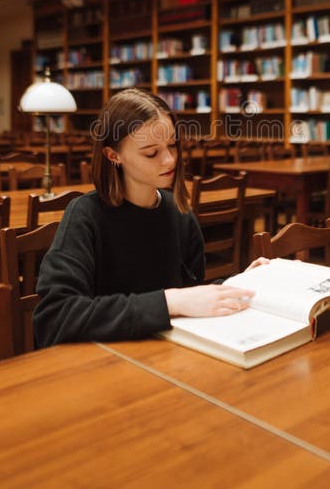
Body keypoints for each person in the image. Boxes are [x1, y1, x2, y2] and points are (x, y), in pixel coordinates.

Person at [34, 88, 265, 347]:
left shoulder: (179, 212)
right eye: (151, 153)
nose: (169, 160)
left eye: (172, 145)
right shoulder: (85, 216)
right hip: (104, 363)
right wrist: (170, 302)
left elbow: (189, 296)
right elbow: (55, 318)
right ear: (113, 155)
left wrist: (242, 284)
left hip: (165, 354)